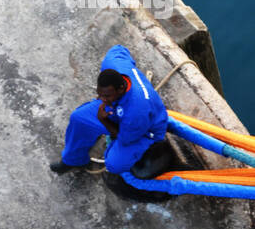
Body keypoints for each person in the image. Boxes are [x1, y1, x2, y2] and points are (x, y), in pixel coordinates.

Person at [50, 44, 174, 179]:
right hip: (117, 106)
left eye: (106, 96)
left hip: (145, 129)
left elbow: (125, 139)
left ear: (121, 89)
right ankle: (74, 160)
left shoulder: (137, 111)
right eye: (100, 94)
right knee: (78, 118)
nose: (102, 99)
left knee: (114, 164)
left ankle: (138, 152)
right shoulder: (113, 64)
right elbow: (119, 49)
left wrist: (104, 120)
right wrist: (106, 100)